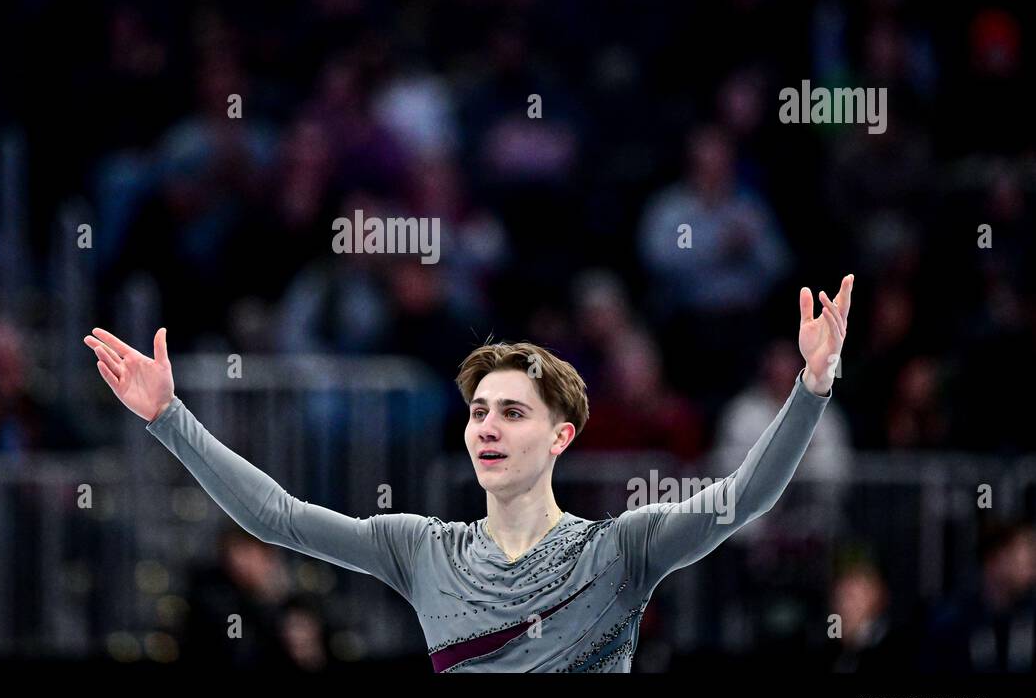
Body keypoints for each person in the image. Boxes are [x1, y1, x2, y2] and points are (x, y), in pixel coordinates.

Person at [84, 275, 853, 672]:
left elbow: (742, 498)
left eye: (512, 412)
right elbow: (277, 518)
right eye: (479, 411)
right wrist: (169, 419)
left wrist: (811, 389)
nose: (487, 425)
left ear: (561, 436)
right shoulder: (422, 550)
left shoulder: (621, 551)